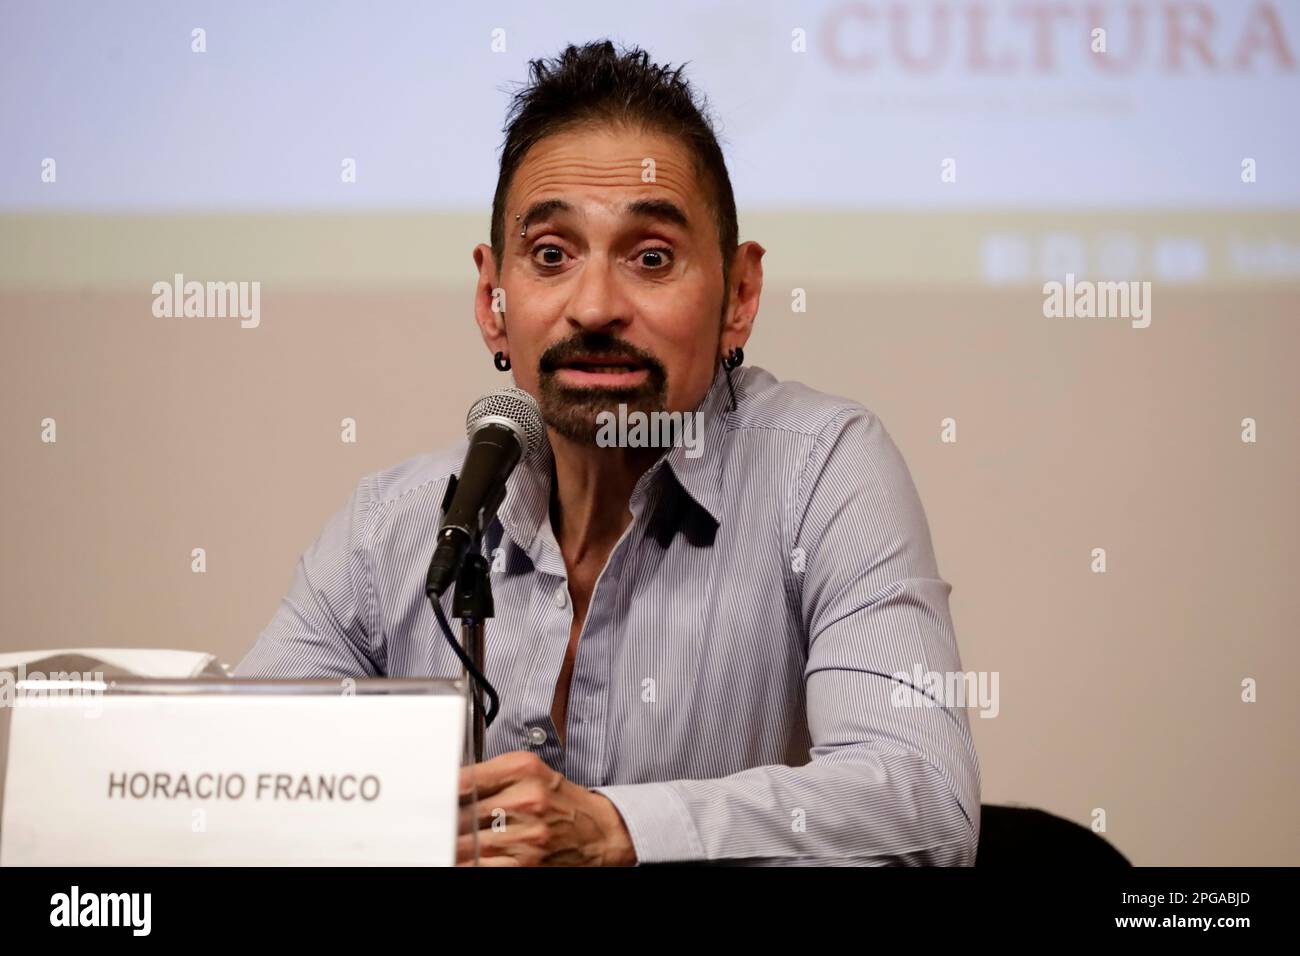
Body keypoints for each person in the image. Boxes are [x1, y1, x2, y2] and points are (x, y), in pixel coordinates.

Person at [235, 39, 980, 867]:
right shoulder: (402, 524)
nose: (593, 306)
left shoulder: (822, 471)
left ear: (739, 296)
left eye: (651, 259)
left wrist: (618, 830)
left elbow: (922, 800)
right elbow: (237, 777)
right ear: (493, 300)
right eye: (551, 256)